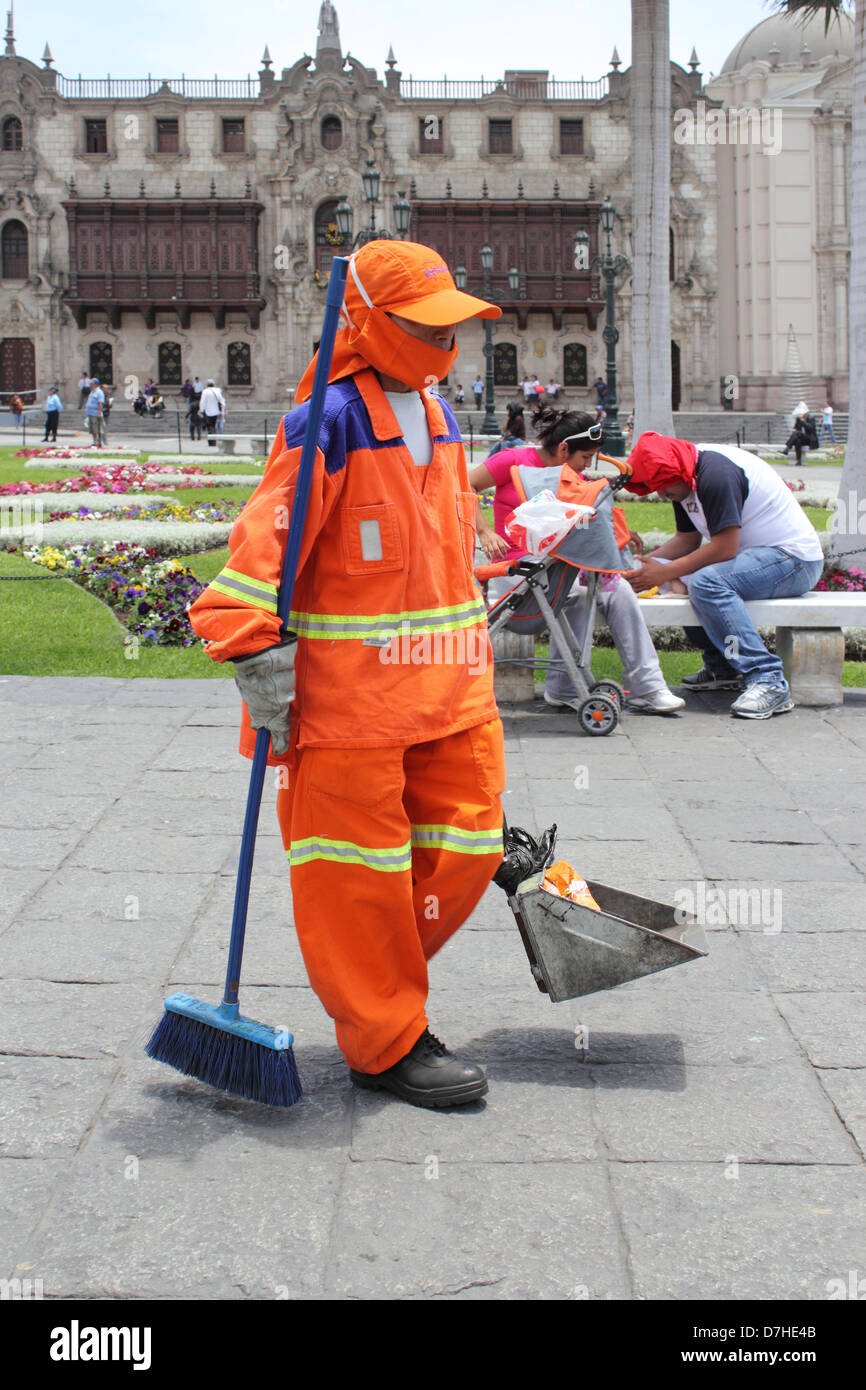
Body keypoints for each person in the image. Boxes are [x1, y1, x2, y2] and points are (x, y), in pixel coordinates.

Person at [187, 238, 505, 1108]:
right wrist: (251, 646)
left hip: (451, 688)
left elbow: (434, 541)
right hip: (349, 704)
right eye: (425, 326)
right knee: (354, 875)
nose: (445, 344)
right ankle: (385, 1037)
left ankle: (381, 976)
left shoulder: (439, 412)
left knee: (472, 844)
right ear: (367, 320)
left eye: (451, 328)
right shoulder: (325, 422)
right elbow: (267, 541)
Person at [469, 407, 685, 715]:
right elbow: (465, 485)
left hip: (556, 570)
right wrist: (485, 531)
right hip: (519, 573)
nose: (588, 466)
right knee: (575, 594)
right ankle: (565, 686)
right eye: (585, 458)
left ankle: (647, 687)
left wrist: (620, 533)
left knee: (618, 592)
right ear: (563, 449)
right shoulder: (513, 460)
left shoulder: (574, 478)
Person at [622, 432, 824, 719]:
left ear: (675, 472)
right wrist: (646, 564)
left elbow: (725, 548)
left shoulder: (716, 474)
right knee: (680, 580)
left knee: (706, 581)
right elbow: (686, 541)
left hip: (794, 561)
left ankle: (769, 680)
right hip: (757, 558)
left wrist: (664, 571)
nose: (661, 495)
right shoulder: (683, 474)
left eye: (663, 488)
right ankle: (723, 668)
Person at [84, 377, 105, 447]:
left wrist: (99, 412)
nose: (90, 385)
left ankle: (99, 441)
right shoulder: (92, 392)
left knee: (97, 428)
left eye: (91, 384)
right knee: (92, 429)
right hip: (90, 413)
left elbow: (100, 403)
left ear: (96, 384)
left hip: (96, 413)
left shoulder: (99, 392)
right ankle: (94, 441)